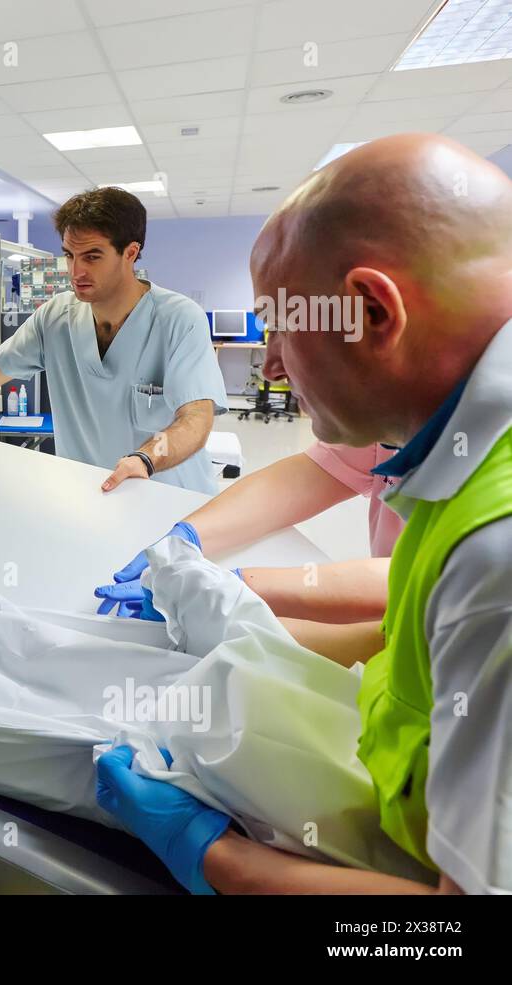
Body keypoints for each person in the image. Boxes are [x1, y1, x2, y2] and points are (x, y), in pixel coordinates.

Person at [97, 133, 512, 894]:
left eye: (279, 328)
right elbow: (411, 635)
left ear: (371, 311)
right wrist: (238, 603)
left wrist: (217, 857)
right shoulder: (457, 441)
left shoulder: (497, 553)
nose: (274, 368)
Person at [0, 186, 228, 494]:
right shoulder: (56, 317)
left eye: (92, 256)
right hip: (93, 499)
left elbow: (196, 418)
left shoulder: (179, 319)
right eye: (69, 255)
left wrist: (146, 458)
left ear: (130, 253)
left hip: (171, 503)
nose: (76, 271)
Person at [93, 441, 400, 622]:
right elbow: (303, 480)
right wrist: (188, 535)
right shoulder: (388, 414)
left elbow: (425, 579)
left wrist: (230, 590)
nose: (271, 370)